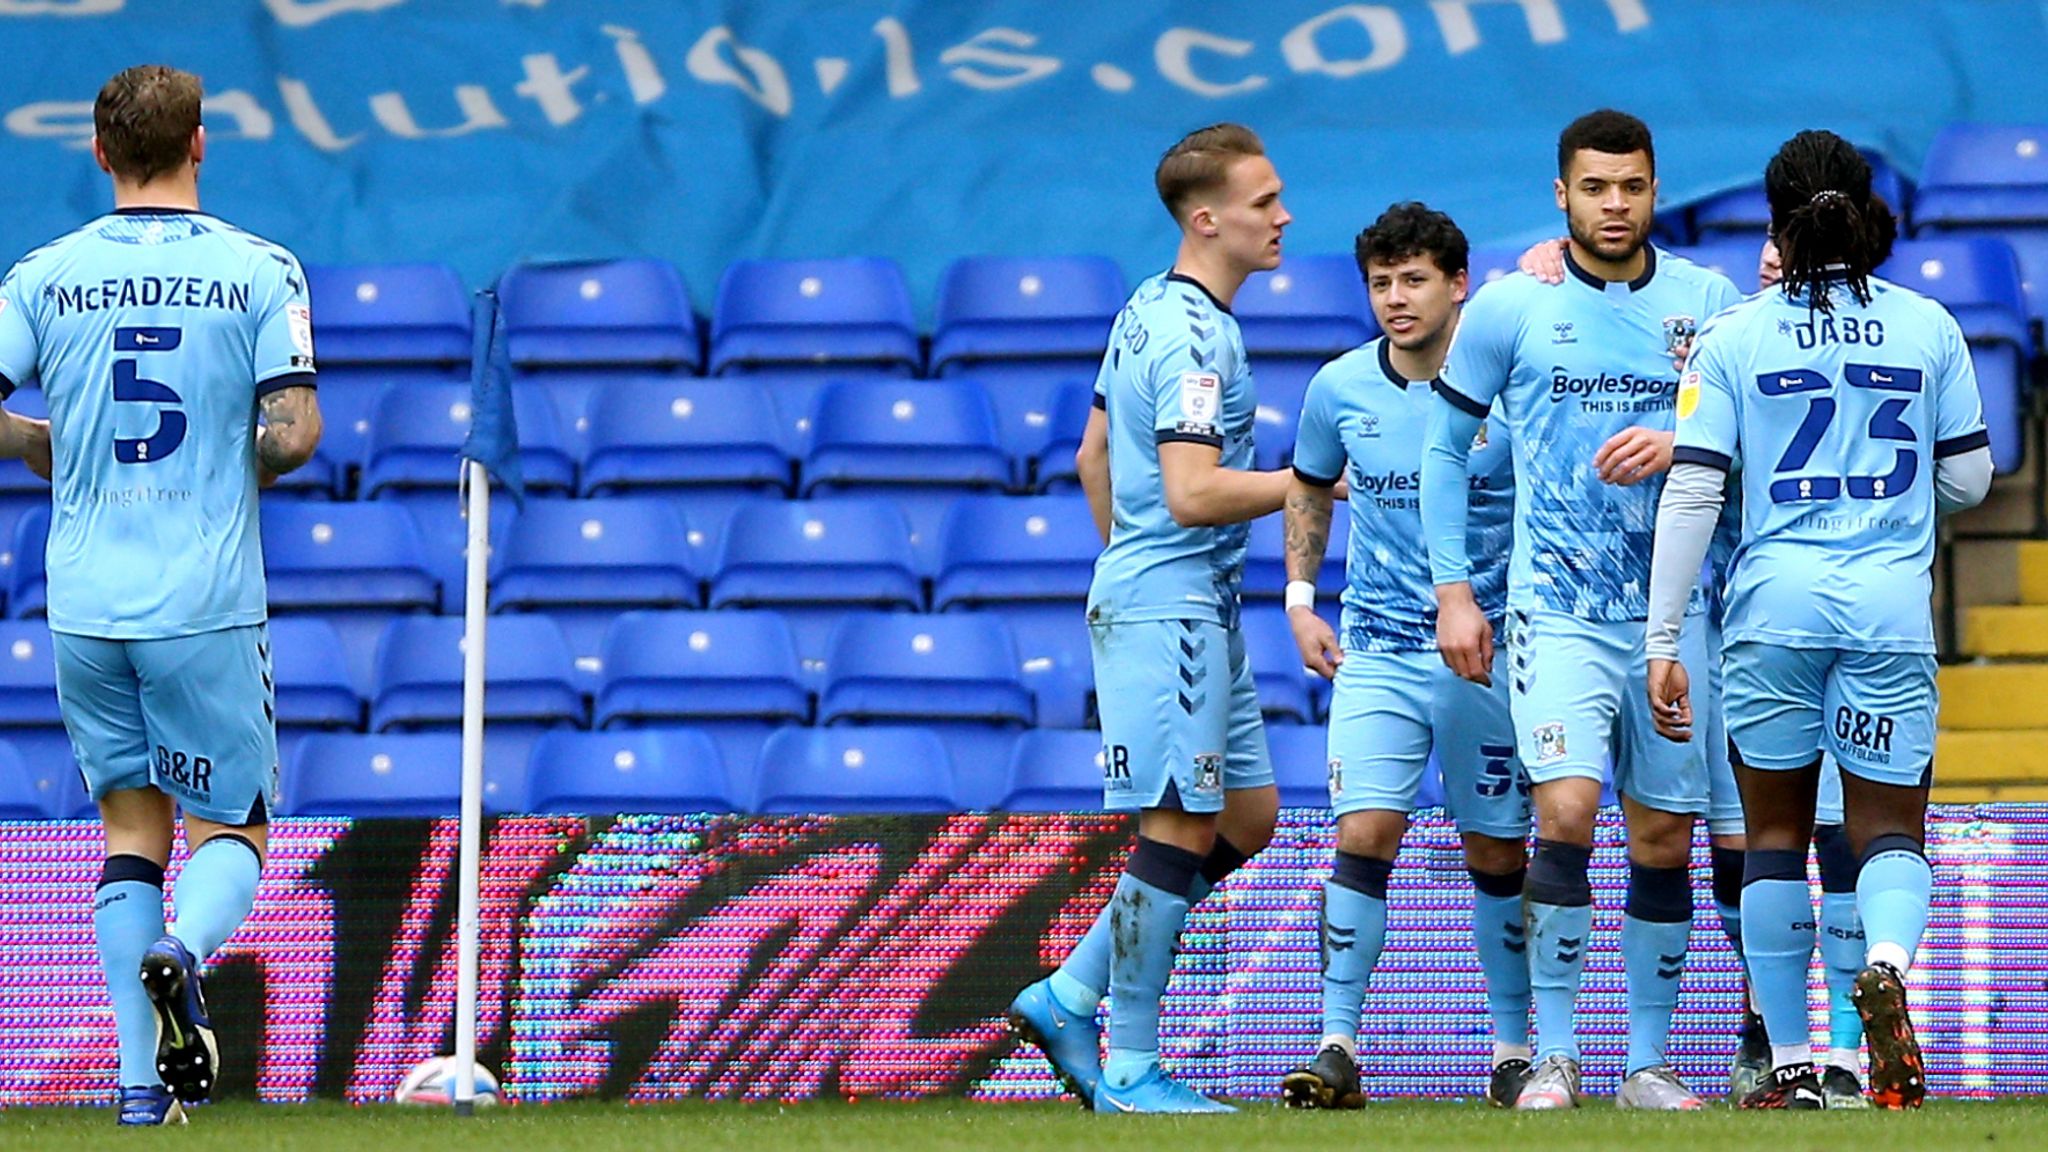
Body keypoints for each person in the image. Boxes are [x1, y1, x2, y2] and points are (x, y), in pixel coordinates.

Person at [0, 65, 323, 1126]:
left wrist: (50, 445)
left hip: (86, 606)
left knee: (127, 828)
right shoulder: (258, 269)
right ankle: (184, 948)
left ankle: (142, 1090)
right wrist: (243, 456)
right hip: (204, 602)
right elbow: (294, 431)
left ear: (98, 154)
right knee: (230, 828)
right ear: (201, 142)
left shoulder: (42, 274)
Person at [1644, 129, 1991, 1110]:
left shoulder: (1733, 334)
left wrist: (1661, 641)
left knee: (1772, 835)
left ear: (1773, 223)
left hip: (1772, 608)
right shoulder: (1926, 324)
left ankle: (1790, 1061)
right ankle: (1875, 981)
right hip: (1884, 606)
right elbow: (1968, 474)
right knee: (1883, 829)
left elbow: (1691, 494)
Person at [1420, 109, 1743, 1110]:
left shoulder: (1709, 305)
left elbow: (1756, 440)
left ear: (1654, 190)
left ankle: (1645, 1062)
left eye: (1631, 187)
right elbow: (1442, 450)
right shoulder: (1513, 306)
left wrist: (1681, 443)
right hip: (1554, 616)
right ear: (1559, 195)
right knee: (1560, 811)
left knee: (1659, 837)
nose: (1614, 205)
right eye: (1593, 188)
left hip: (1670, 621)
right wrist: (1453, 594)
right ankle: (1552, 1055)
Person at [1006, 122, 1292, 1115]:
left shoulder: (1145, 308)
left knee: (1245, 819)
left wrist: (1129, 567)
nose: (1282, 216)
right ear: (1206, 217)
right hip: (1172, 609)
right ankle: (1129, 1068)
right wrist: (1304, 483)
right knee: (1178, 826)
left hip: (1178, 604)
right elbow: (1189, 492)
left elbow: (1093, 456)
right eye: (1263, 202)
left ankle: (1069, 991)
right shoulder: (1194, 335)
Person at [1276, 202, 1532, 1111]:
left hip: (1492, 653)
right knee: (1364, 833)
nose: (1396, 298)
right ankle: (1337, 1043)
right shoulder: (1339, 386)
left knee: (1497, 851)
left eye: (1415, 279)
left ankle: (1512, 1050)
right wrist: (1301, 602)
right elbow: (1307, 489)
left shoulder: (1510, 386)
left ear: (1459, 284)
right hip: (1378, 649)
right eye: (1381, 282)